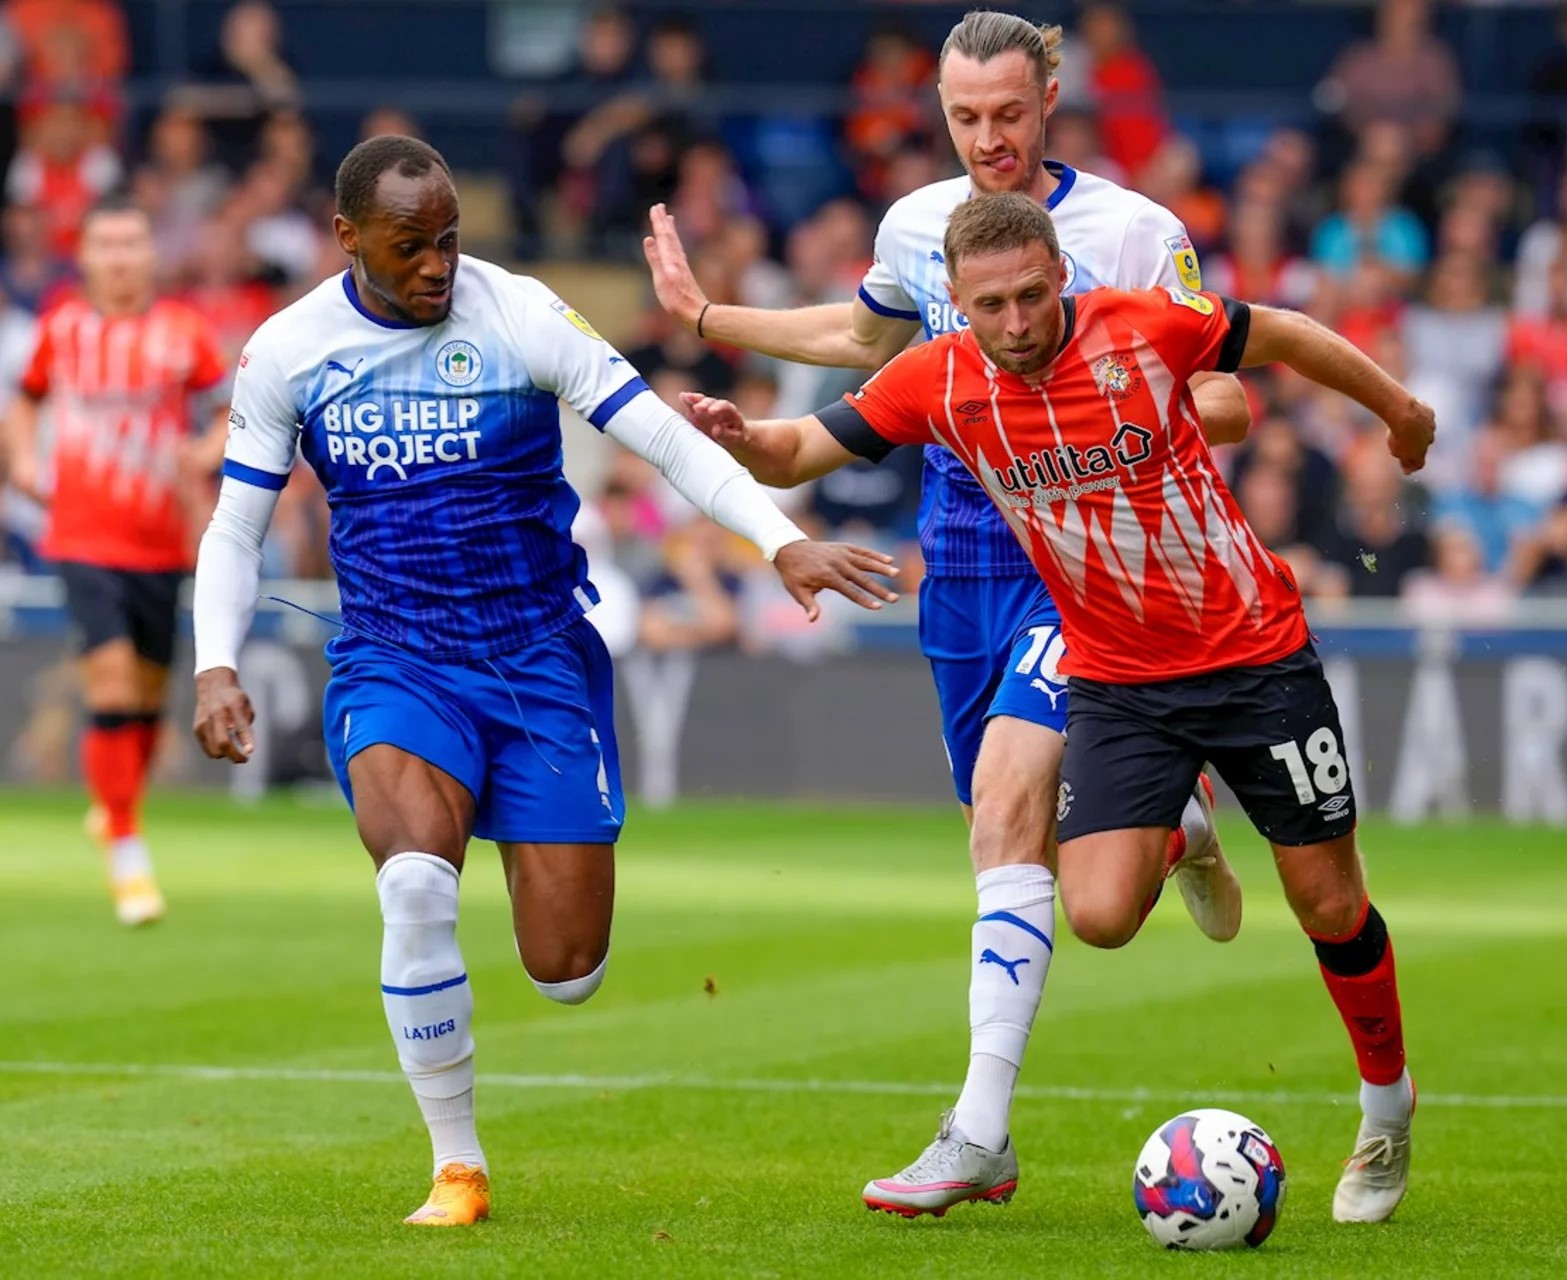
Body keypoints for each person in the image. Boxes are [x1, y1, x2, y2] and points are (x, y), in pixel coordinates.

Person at [680, 190, 1437, 1225]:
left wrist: (1398, 410)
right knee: (1096, 915)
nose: (1016, 323)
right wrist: (736, 432)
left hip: (1253, 656)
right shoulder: (936, 378)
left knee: (1329, 907)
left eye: (1032, 296)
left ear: (1060, 278)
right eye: (988, 305)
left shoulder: (1144, 325)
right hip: (1118, 681)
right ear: (955, 301)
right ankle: (1181, 827)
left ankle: (1384, 1106)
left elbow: (1291, 337)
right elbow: (797, 450)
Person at [186, 136, 898, 1227]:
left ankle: (528, 853)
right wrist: (216, 662)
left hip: (537, 660)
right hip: (396, 660)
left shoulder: (519, 312)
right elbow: (236, 526)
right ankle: (456, 1163)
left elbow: (660, 434)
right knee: (414, 882)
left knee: (566, 967)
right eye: (408, 246)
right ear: (346, 239)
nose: (436, 264)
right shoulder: (290, 349)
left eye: (449, 238)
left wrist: (774, 538)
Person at [642, 11, 1251, 1218]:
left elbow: (1223, 395)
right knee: (1019, 845)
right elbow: (866, 340)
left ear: (1049, 97)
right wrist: (713, 323)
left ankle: (975, 1131)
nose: (988, 140)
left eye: (1009, 115)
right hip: (960, 563)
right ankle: (1174, 821)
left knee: (1003, 819)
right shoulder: (917, 227)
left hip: (1086, 562)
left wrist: (1091, 403)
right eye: (964, 118)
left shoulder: (1131, 232)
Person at [1, 193, 227, 926]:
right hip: (81, 535)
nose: (122, 257)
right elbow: (25, 402)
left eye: (134, 243)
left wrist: (209, 447)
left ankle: (115, 803)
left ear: (150, 254)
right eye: (109, 244)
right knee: (111, 679)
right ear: (88, 254)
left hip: (161, 541)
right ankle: (127, 850)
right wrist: (25, 463)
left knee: (147, 699)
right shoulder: (61, 329)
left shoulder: (184, 333)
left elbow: (231, 408)